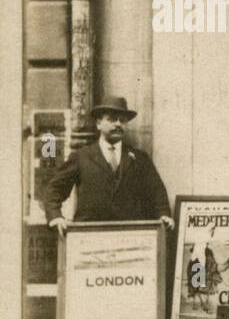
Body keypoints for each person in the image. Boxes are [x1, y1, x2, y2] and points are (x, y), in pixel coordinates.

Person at [42, 95, 175, 236]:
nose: (118, 124)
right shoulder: (81, 157)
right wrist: (56, 216)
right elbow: (54, 190)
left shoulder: (140, 158)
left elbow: (157, 191)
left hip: (129, 237)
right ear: (99, 124)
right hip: (89, 236)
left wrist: (164, 214)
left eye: (122, 120)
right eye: (112, 119)